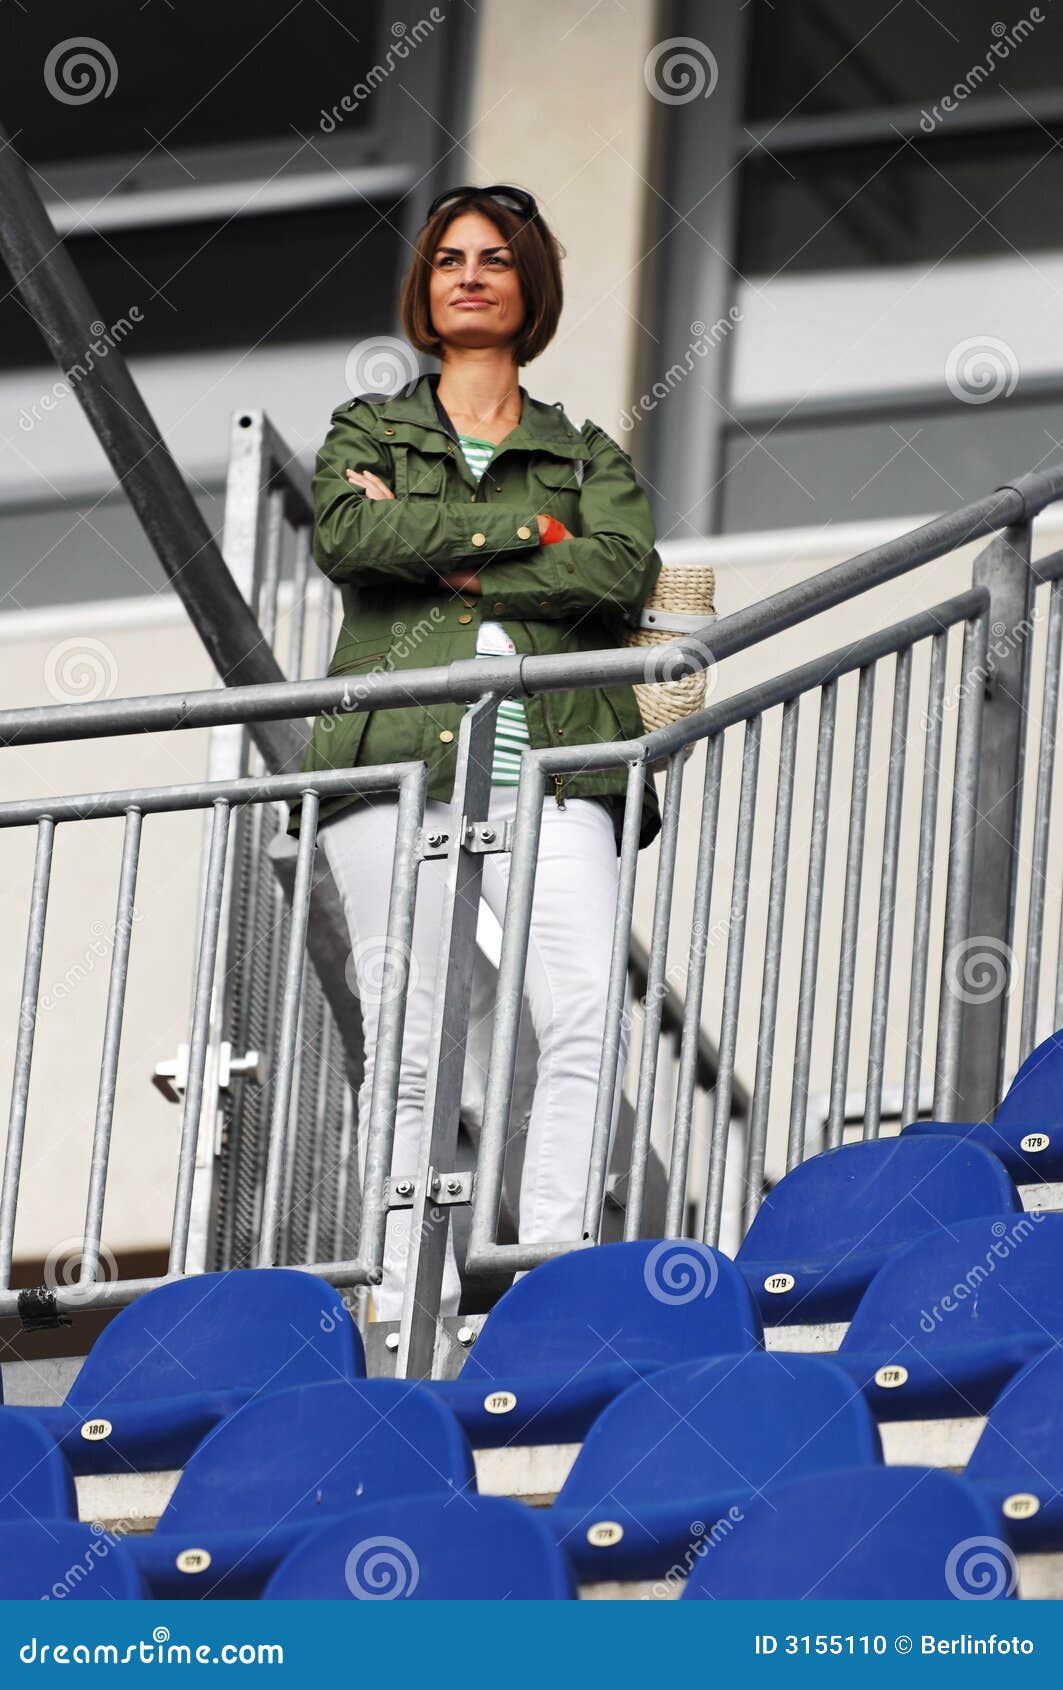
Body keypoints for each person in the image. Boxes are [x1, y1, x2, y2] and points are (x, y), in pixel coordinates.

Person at [289, 184, 664, 1319]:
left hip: (556, 767)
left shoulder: (581, 446)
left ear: (527, 286)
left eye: (494, 258)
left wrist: (442, 553)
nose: (467, 273)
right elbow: (350, 536)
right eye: (447, 257)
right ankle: (405, 1299)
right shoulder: (371, 429)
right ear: (424, 286)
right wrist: (528, 534)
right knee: (411, 1040)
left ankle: (553, 1278)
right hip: (395, 764)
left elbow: (620, 571)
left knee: (586, 1012)